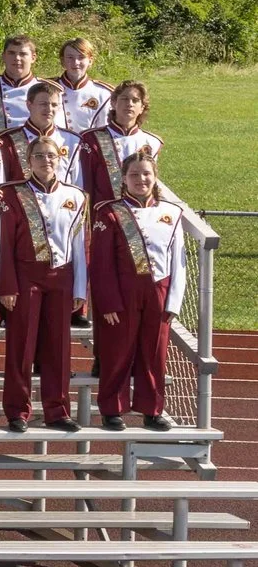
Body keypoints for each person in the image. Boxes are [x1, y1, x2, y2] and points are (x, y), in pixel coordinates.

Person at [87, 152, 187, 431]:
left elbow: (179, 261)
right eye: (134, 175)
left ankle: (152, 409)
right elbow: (101, 264)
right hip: (122, 292)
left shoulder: (172, 213)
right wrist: (107, 303)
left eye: (146, 174)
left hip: (159, 290)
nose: (140, 180)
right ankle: (112, 408)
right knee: (117, 352)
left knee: (154, 353)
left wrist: (173, 302)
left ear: (155, 178)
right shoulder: (108, 213)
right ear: (124, 178)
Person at [0, 135, 90, 432]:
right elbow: (4, 246)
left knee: (58, 348)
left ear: (60, 158)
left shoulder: (76, 196)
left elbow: (79, 247)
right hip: (26, 277)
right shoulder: (11, 194)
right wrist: (7, 286)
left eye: (51, 155)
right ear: (29, 160)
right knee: (21, 346)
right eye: (39, 156)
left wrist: (79, 290)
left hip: (61, 278)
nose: (45, 161)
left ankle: (58, 410)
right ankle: (16, 410)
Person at [75, 79, 161, 205]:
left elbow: (151, 184)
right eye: (124, 99)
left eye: (135, 100)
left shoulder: (152, 142)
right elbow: (85, 183)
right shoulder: (91, 138)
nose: (129, 104)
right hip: (103, 213)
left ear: (142, 107)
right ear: (114, 103)